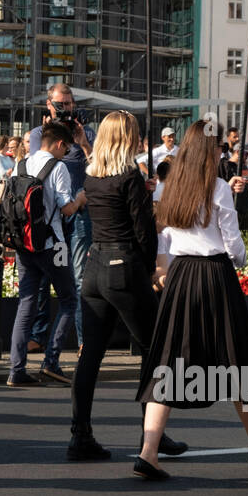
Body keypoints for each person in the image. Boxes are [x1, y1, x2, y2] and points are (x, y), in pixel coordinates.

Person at [135, 120, 248, 481]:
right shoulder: (219, 187)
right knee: (237, 362)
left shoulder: (171, 185)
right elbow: (233, 244)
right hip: (214, 276)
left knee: (169, 359)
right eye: (219, 148)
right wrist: (244, 259)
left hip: (180, 277)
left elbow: (163, 234)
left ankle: (149, 451)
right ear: (211, 150)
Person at [70, 111, 162, 460]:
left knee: (90, 354)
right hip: (124, 266)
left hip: (95, 266)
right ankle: (152, 435)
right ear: (129, 139)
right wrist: (152, 268)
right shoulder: (130, 177)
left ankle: (80, 435)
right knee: (155, 349)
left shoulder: (93, 178)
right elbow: (143, 232)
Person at [7, 122, 87, 387]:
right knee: (69, 299)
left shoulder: (22, 164)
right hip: (54, 245)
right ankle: (50, 362)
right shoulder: (58, 167)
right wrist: (81, 199)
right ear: (59, 144)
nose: (65, 154)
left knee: (26, 303)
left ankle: (16, 370)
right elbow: (66, 210)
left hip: (23, 245)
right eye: (66, 149)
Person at [26, 84, 95, 355]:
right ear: (48, 105)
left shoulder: (85, 133)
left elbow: (99, 167)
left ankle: (83, 340)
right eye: (59, 104)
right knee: (42, 277)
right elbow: (33, 168)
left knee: (80, 276)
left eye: (68, 104)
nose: (64, 109)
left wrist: (83, 144)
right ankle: (38, 335)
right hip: (47, 215)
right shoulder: (37, 134)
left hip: (77, 213)